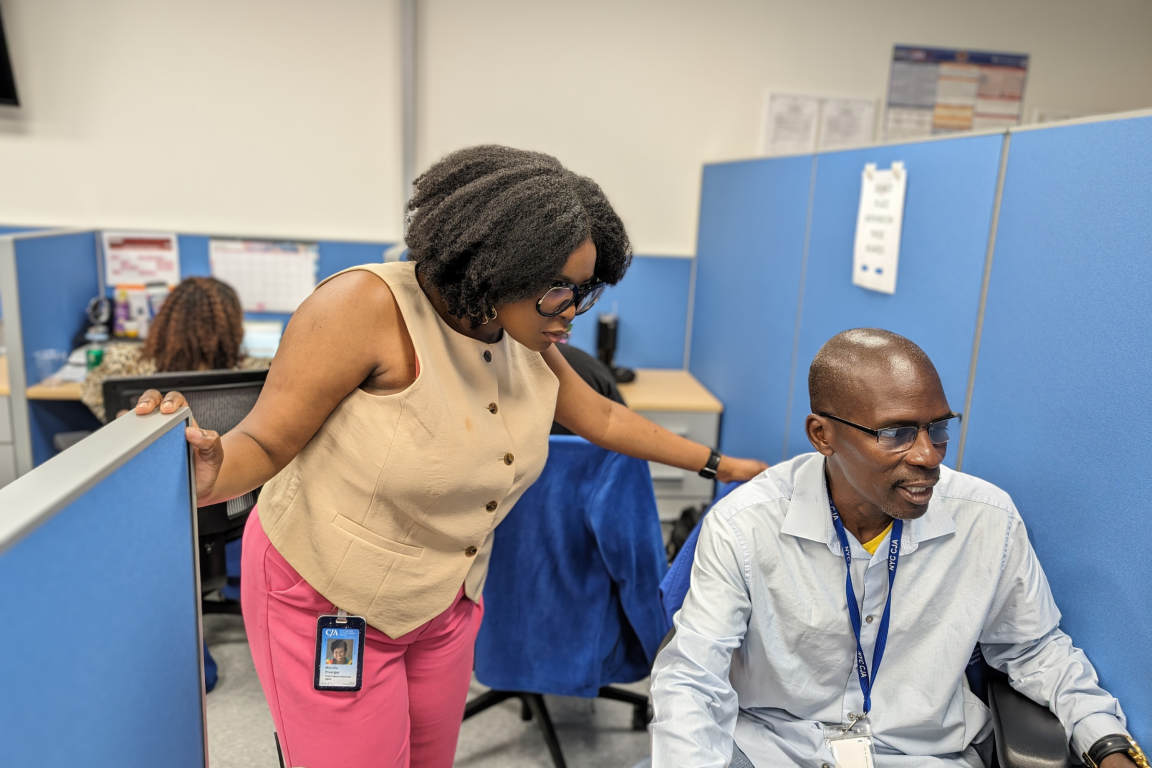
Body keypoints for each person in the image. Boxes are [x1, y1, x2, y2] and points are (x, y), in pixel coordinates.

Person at [135, 145, 767, 768]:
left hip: (445, 598)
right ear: (497, 268)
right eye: (557, 290)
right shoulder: (363, 308)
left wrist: (724, 465)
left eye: (584, 290)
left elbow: (600, 416)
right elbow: (267, 442)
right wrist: (212, 475)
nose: (571, 312)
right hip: (328, 595)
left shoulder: (522, 329)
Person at [650, 329, 1142, 768]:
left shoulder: (987, 520)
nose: (928, 456)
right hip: (771, 748)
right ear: (822, 435)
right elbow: (693, 677)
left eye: (939, 428)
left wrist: (1107, 744)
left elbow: (1033, 648)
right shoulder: (746, 525)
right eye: (897, 434)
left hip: (922, 755)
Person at [80, 276, 271, 422]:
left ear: (169, 321)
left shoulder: (123, 362)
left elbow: (92, 396)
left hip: (154, 464)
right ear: (232, 327)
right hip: (226, 462)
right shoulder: (256, 371)